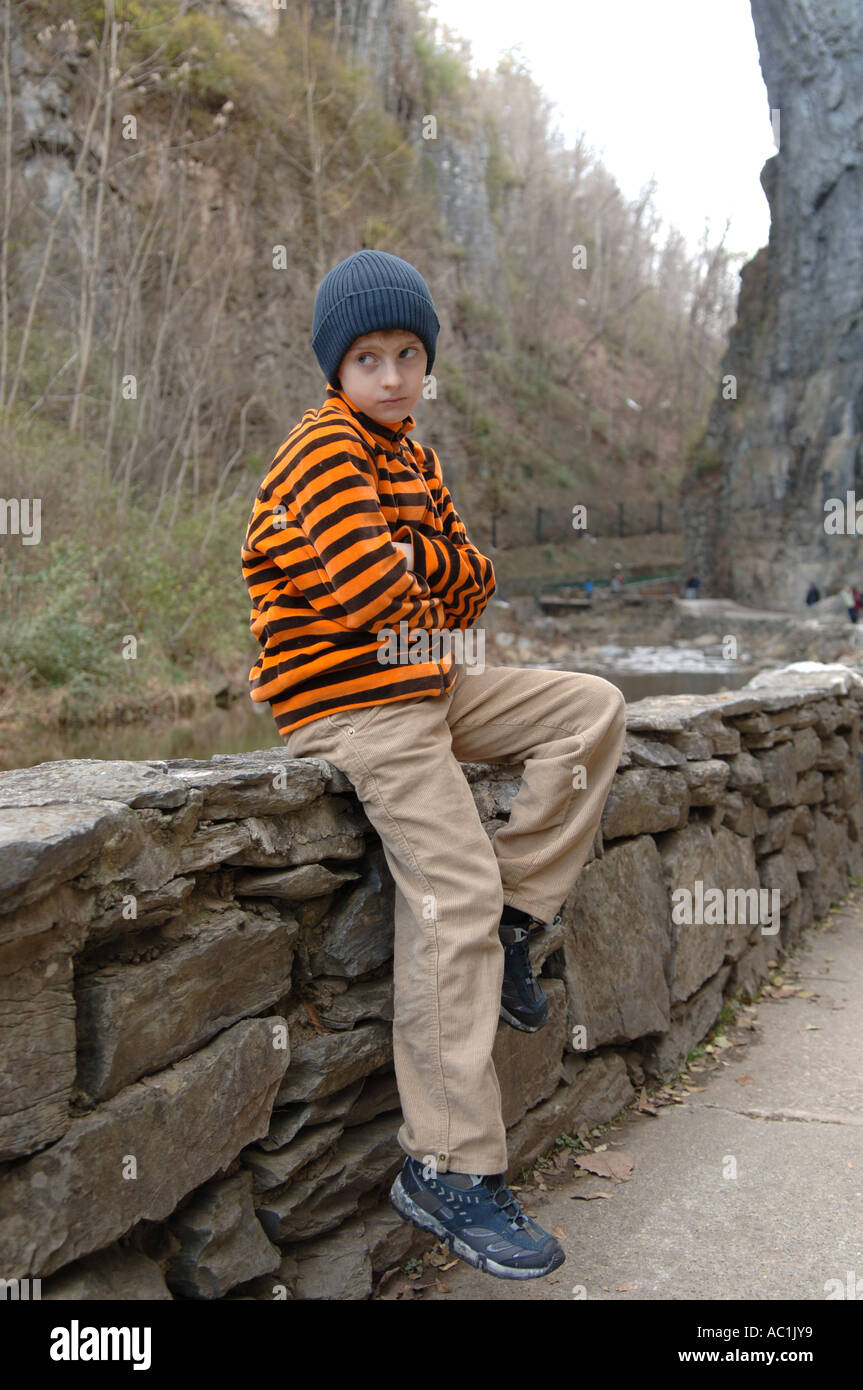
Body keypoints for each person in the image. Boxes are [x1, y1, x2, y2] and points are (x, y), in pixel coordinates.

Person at [241, 249, 627, 1282]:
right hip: (354, 703)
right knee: (447, 892)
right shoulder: (322, 450)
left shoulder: (411, 453)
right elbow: (378, 593)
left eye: (407, 352)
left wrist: (430, 574)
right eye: (368, 356)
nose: (392, 373)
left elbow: (472, 582)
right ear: (336, 366)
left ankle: (517, 918)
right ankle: (446, 1166)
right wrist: (425, 577)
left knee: (588, 709)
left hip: (427, 680)